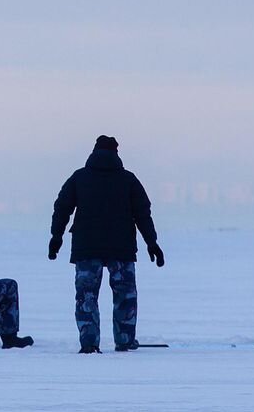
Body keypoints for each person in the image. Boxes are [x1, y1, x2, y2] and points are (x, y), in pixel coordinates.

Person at [48, 135, 164, 354]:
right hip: (121, 249)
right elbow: (143, 214)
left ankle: (89, 343)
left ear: (93, 152)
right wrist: (152, 243)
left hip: (86, 247)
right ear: (116, 153)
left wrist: (56, 238)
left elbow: (61, 208)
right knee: (125, 296)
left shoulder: (79, 177)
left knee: (86, 296)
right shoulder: (128, 180)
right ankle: (125, 340)